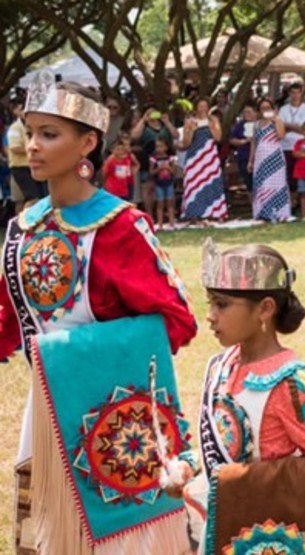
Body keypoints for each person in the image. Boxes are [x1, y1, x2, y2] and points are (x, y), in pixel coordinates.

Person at [1, 72, 197, 554]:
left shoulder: (122, 227)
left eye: (50, 134)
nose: (35, 145)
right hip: (46, 410)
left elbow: (175, 319)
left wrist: (72, 354)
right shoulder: (22, 230)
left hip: (112, 415)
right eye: (30, 132)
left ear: (87, 143)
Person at [179, 241, 305, 555]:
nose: (211, 316)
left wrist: (241, 481)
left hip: (260, 536)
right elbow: (220, 450)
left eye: (223, 304)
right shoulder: (221, 366)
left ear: (266, 309)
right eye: (210, 304)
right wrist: (190, 467)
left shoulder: (293, 383)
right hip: (213, 528)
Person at [181, 98, 229, 221]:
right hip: (195, 156)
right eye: (200, 106)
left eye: (205, 106)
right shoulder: (190, 121)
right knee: (195, 183)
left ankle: (215, 212)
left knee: (211, 182)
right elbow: (185, 143)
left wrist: (212, 126)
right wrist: (191, 130)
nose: (203, 109)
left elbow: (218, 138)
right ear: (196, 108)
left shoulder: (213, 120)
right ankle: (194, 212)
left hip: (209, 156)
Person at [131, 107, 178, 215]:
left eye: (154, 113)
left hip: (166, 161)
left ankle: (168, 214)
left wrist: (167, 122)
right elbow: (134, 136)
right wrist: (143, 120)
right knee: (148, 189)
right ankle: (150, 215)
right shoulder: (144, 126)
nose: (152, 115)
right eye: (149, 113)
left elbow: (176, 135)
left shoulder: (164, 125)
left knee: (167, 187)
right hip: (148, 160)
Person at [249, 97, 290, 222]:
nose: (265, 110)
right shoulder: (256, 125)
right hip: (261, 159)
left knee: (275, 184)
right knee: (262, 185)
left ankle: (278, 212)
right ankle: (262, 212)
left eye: (268, 108)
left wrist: (275, 120)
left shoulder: (277, 121)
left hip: (275, 158)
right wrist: (251, 160)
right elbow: (253, 143)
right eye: (263, 108)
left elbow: (281, 136)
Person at [278, 83, 305, 196]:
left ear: (301, 94)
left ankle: (301, 200)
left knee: (301, 175)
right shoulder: (283, 109)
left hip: (300, 146)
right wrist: (295, 127)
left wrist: (288, 126)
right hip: (285, 146)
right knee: (288, 175)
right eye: (293, 92)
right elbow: (280, 127)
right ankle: (290, 200)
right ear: (289, 93)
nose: (295, 95)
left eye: (297, 92)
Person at [229, 104, 258, 194]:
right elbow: (232, 139)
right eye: (244, 112)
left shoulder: (260, 124)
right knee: (249, 184)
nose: (246, 114)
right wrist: (244, 141)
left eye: (249, 112)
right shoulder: (240, 125)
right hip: (244, 156)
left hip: (259, 156)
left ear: (255, 113)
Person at [150, 137, 178, 228]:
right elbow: (151, 172)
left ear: (166, 147)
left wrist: (168, 168)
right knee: (160, 203)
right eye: (157, 147)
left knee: (170, 203)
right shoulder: (153, 159)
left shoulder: (172, 158)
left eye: (161, 146)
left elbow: (174, 171)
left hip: (169, 183)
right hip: (159, 184)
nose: (159, 149)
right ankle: (160, 224)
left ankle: (172, 223)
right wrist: (159, 169)